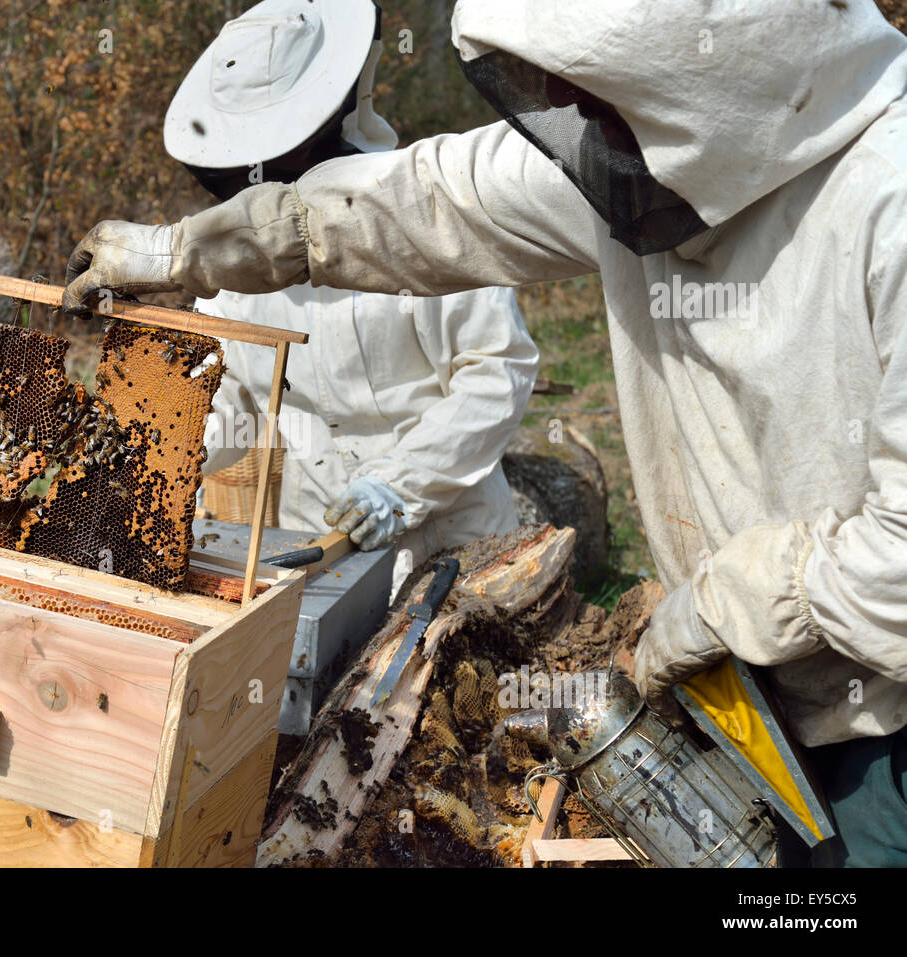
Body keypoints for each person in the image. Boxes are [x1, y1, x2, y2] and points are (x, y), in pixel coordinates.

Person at [65, 0, 907, 866]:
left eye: (589, 95)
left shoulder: (888, 190)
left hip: (881, 715)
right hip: (741, 691)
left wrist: (722, 605)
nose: (570, 119)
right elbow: (426, 201)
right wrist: (181, 253)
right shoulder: (643, 156)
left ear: (682, 77)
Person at [163, 0, 537, 587]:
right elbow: (226, 398)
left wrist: (395, 486)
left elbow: (496, 371)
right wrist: (159, 456)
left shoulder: (424, 215)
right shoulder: (230, 263)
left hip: (456, 542)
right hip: (317, 546)